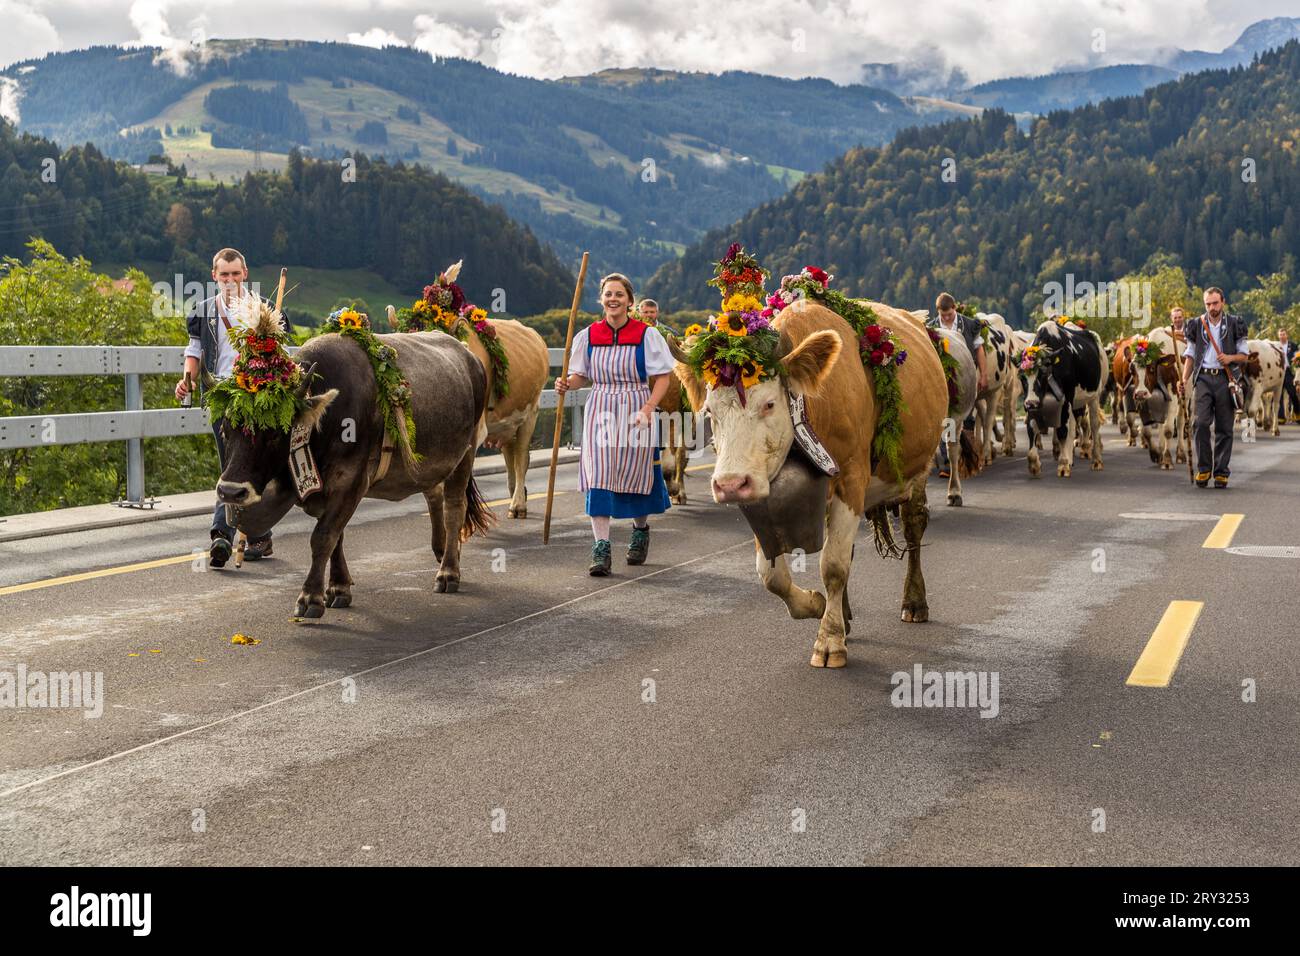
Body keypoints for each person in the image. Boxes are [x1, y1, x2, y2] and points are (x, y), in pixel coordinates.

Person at [555, 274, 674, 575]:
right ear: (602, 299)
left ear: (629, 301)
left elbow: (663, 377)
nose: (613, 299)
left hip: (636, 405)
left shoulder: (647, 336)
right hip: (601, 405)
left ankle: (640, 530)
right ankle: (601, 548)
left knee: (638, 472)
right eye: (608, 294)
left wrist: (649, 407)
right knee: (599, 473)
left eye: (619, 294)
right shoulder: (589, 335)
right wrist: (567, 383)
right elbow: (582, 375)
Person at [174, 248, 273, 567]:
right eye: (223, 274)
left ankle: (226, 534)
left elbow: (278, 353)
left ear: (245, 274)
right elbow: (195, 350)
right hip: (220, 397)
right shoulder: (203, 311)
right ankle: (254, 535)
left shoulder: (264, 311)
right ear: (214, 276)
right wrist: (186, 381)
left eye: (235, 273)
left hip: (255, 397)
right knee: (231, 465)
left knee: (246, 467)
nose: (229, 279)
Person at [1178, 288, 1249, 488]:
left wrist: (1230, 358)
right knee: (1199, 423)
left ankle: (1221, 472)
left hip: (1226, 380)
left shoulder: (1235, 323)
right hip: (1203, 379)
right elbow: (1190, 355)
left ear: (1223, 302)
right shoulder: (1195, 324)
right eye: (1208, 304)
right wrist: (1184, 380)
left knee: (1224, 427)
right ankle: (1204, 469)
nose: (1212, 307)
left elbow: (1244, 355)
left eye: (1215, 303)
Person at [926, 292, 987, 477]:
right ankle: (948, 462)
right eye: (942, 315)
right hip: (942, 380)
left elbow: (979, 349)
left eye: (949, 315)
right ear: (938, 312)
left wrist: (983, 375)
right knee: (947, 419)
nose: (945, 318)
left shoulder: (969, 324)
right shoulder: (931, 328)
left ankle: (969, 457)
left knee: (967, 418)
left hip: (966, 375)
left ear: (954, 308)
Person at [1278, 327, 1299, 423]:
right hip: (1278, 372)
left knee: (1293, 393)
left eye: (1284, 334)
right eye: (1280, 334)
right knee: (1278, 395)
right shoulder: (1275, 346)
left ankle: (1298, 414)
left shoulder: (1293, 346)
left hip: (1289, 372)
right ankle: (1281, 417)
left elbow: (1297, 358)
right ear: (1278, 336)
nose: (1282, 336)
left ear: (1287, 335)